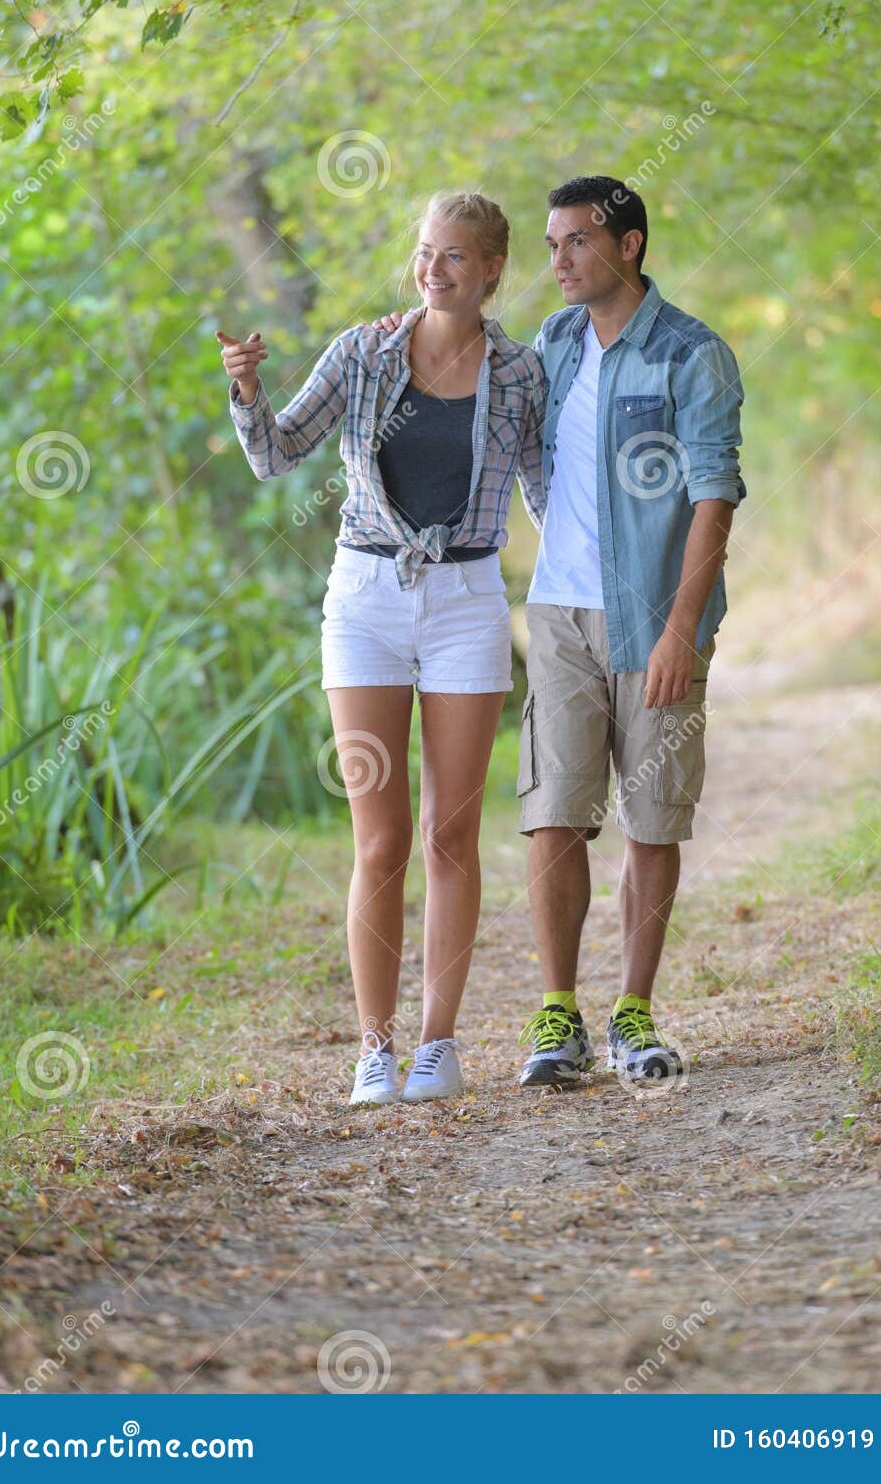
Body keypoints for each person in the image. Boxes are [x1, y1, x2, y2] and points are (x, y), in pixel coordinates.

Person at [372, 175, 746, 1090]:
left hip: (658, 616)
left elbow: (713, 495)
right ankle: (558, 1015)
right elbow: (475, 375)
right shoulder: (555, 345)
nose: (558, 261)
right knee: (552, 815)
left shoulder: (691, 355)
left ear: (629, 246)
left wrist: (678, 631)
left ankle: (633, 1012)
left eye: (576, 242)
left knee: (651, 819)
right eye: (549, 244)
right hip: (558, 613)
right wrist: (404, 340)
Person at [219, 191, 545, 1107]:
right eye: (424, 252)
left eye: (452, 257)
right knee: (381, 839)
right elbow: (277, 455)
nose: (432, 269)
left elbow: (547, 494)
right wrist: (248, 391)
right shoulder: (362, 351)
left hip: (468, 601)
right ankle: (374, 1048)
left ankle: (437, 1045)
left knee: (450, 834)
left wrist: (588, 595)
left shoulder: (517, 372)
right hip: (364, 598)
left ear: (489, 271)